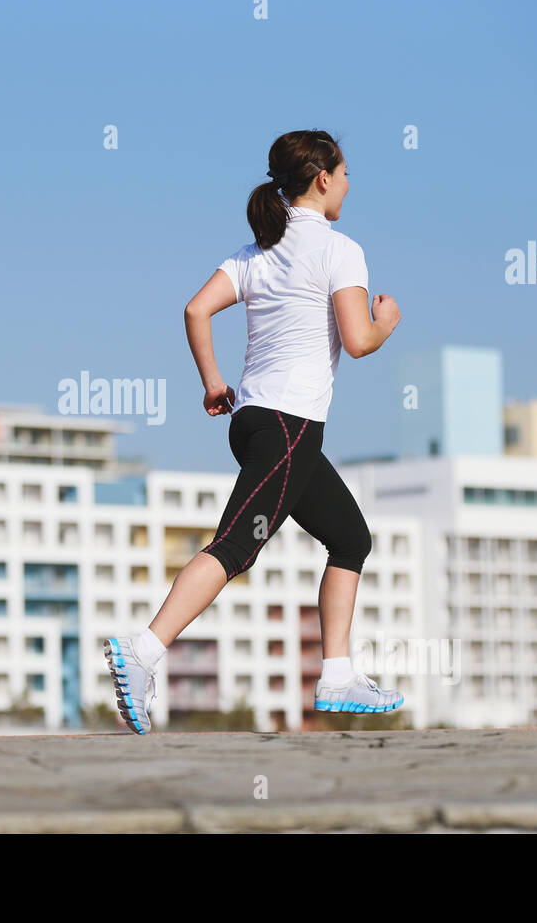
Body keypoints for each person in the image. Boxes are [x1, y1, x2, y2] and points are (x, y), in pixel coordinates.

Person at [105, 129, 403, 735]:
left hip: (259, 424)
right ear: (323, 179)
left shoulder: (254, 252)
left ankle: (339, 674)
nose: (348, 186)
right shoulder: (338, 249)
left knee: (350, 539)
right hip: (290, 426)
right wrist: (386, 321)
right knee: (237, 546)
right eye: (344, 175)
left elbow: (195, 309)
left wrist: (214, 384)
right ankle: (143, 651)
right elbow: (358, 340)